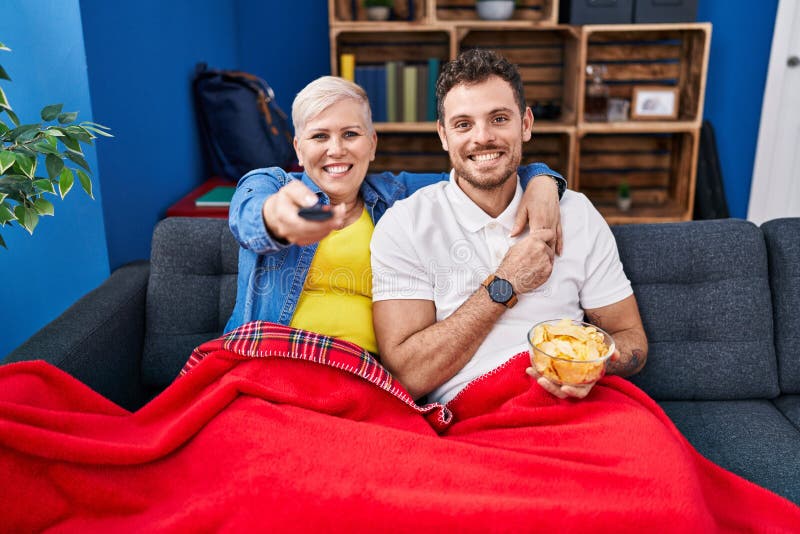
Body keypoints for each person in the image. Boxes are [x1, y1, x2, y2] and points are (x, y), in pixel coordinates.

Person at [371, 49, 648, 402]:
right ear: (443, 135)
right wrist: (507, 283)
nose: (482, 137)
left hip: (579, 406)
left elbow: (631, 338)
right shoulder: (405, 224)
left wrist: (592, 365)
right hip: (475, 414)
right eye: (463, 124)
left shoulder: (575, 212)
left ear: (526, 124)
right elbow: (409, 376)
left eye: (499, 118)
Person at [225, 75, 567, 355]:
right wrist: (279, 219)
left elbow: (479, 171)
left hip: (366, 375)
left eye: (350, 134)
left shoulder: (398, 195)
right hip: (269, 357)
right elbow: (249, 217)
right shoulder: (269, 183)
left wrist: (540, 178)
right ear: (298, 148)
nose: (336, 149)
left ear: (372, 144)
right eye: (319, 136)